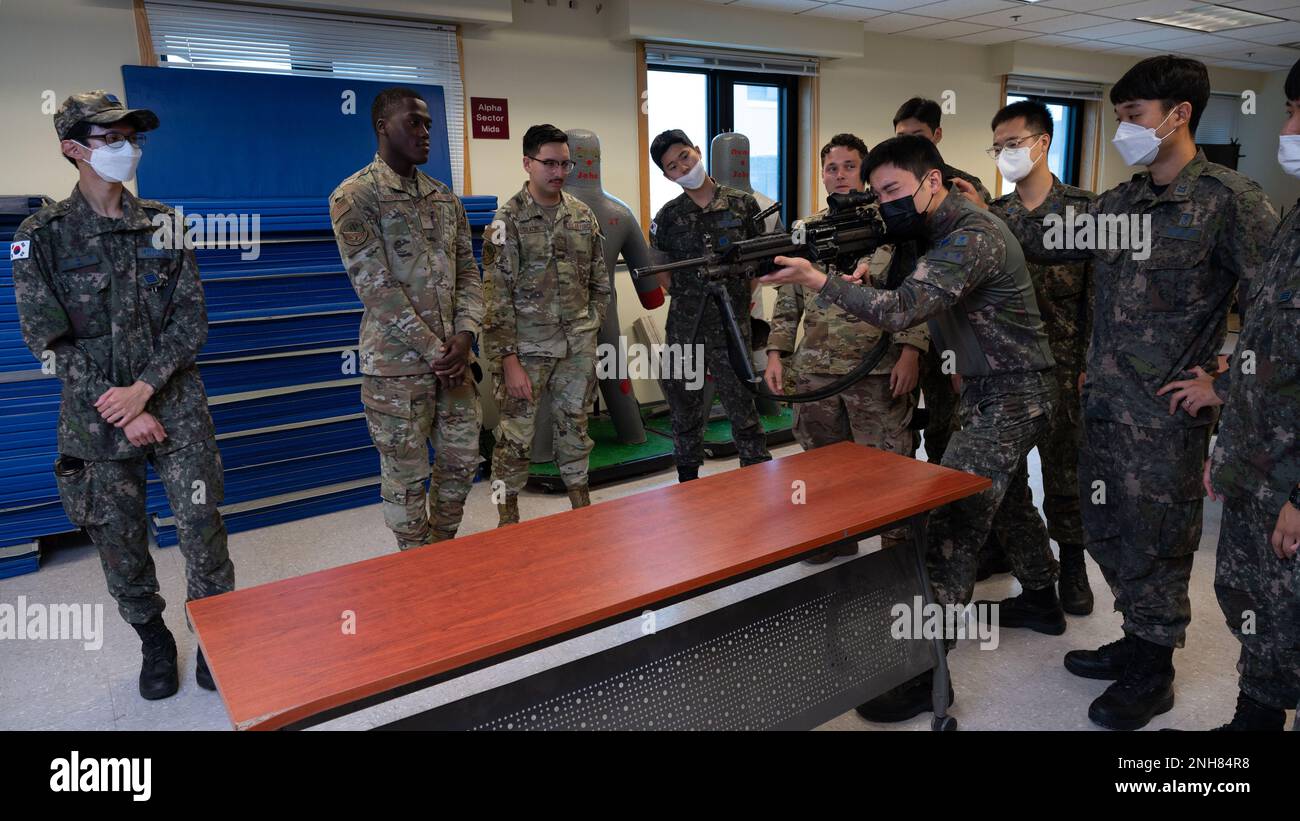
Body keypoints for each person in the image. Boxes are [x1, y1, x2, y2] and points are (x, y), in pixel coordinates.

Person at [968, 55, 1279, 730]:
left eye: (1133, 116)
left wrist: (1223, 382)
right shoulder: (1120, 203)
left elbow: (1277, 310)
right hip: (1103, 407)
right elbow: (1062, 264)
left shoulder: (1231, 201)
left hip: (1165, 419)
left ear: (1178, 114)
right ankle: (1137, 635)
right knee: (1108, 531)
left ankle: (1154, 668)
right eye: (1118, 118)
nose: (1123, 130)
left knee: (1159, 541)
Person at [759, 135, 1060, 722]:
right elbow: (897, 285)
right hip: (991, 387)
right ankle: (1044, 596)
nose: (885, 202)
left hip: (1013, 392)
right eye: (878, 193)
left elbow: (903, 310)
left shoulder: (970, 235)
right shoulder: (927, 233)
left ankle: (924, 673)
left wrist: (821, 280)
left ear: (932, 182)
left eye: (893, 190)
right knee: (1009, 497)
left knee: (954, 520)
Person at [12, 91, 232, 700]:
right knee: (120, 540)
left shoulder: (166, 222)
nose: (126, 147)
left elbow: (191, 323)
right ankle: (154, 641)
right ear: (73, 148)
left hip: (175, 406)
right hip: (98, 420)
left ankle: (216, 635)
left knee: (200, 526)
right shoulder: (41, 236)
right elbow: (46, 340)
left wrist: (143, 391)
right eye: (110, 138)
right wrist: (118, 403)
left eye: (132, 136)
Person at [1161, 58, 1300, 731]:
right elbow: (1277, 338)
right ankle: (1256, 720)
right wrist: (1228, 394)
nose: (1289, 126)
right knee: (1260, 605)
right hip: (1260, 458)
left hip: (1292, 479)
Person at [330, 87, 484, 549]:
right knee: (406, 477)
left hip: (454, 364)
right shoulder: (355, 196)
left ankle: (441, 553)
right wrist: (440, 351)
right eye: (413, 123)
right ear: (383, 127)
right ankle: (416, 567)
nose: (424, 132)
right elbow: (375, 288)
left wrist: (465, 334)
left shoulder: (444, 198)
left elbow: (468, 272)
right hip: (398, 371)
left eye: (428, 124)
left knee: (460, 464)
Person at [765, 133, 927, 563]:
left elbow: (921, 293)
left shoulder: (893, 226)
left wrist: (912, 351)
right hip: (816, 369)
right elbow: (788, 299)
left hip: (876, 368)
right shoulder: (808, 230)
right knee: (822, 466)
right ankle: (833, 536)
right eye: (831, 167)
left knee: (888, 464)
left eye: (849, 166)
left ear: (866, 171)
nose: (839, 175)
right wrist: (777, 354)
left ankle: (897, 551)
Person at [985, 100, 1097, 616]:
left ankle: (1073, 563)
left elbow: (1102, 297)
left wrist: (1091, 367)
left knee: (1065, 472)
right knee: (1008, 475)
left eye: (1014, 143)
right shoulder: (994, 217)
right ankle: (1032, 566)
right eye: (999, 146)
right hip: (1007, 369)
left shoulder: (1086, 211)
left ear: (1042, 142)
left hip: (1068, 366)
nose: (1006, 153)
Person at [482, 124, 610, 524]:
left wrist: (590, 328)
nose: (559, 171)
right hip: (526, 351)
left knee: (575, 429)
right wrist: (508, 361)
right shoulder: (507, 220)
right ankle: (506, 518)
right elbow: (495, 298)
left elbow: (600, 283)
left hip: (576, 348)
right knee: (513, 440)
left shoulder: (581, 215)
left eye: (565, 163)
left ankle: (581, 510)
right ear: (527, 163)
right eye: (549, 163)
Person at [649, 129, 771, 481]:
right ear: (666, 175)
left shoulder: (743, 204)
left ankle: (756, 482)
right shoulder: (668, 217)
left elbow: (757, 263)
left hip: (733, 327)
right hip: (685, 330)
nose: (683, 168)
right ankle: (688, 485)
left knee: (743, 410)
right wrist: (691, 296)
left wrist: (736, 294)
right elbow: (663, 271)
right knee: (685, 413)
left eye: (685, 157)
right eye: (672, 166)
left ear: (698, 151)